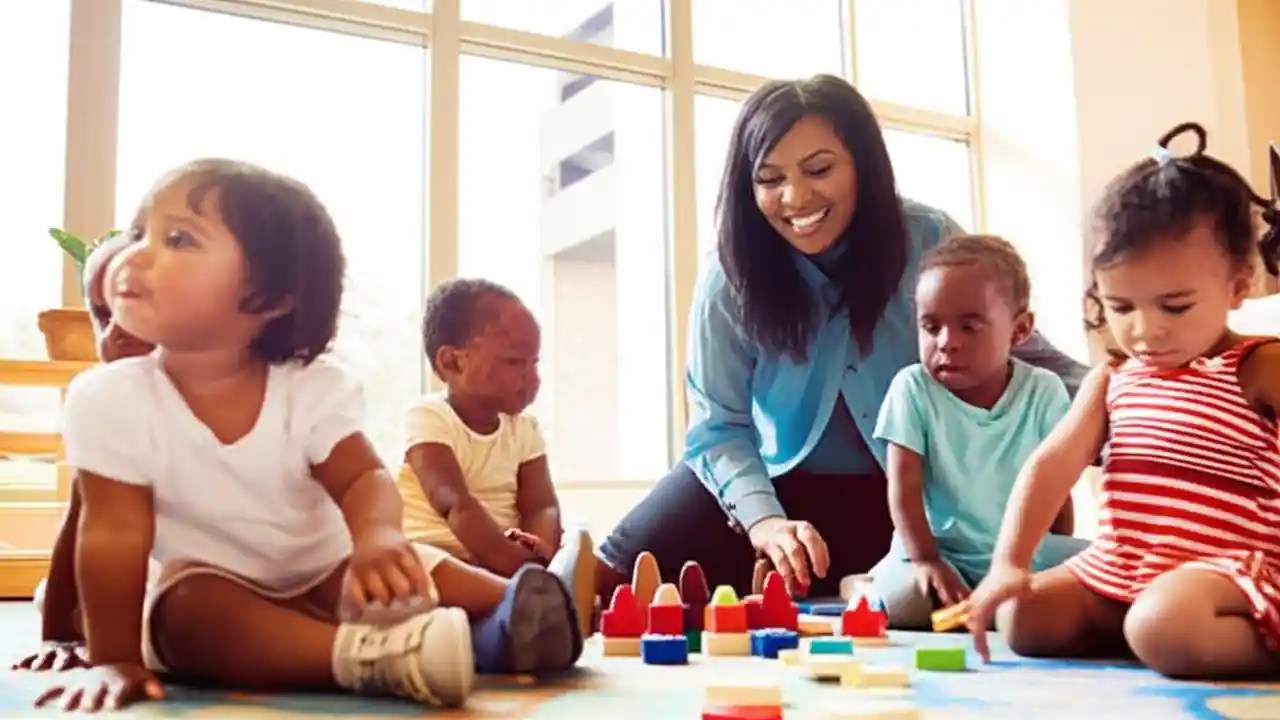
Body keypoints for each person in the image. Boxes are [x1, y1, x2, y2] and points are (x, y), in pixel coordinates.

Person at [23, 158, 585, 712]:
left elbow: (362, 477)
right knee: (185, 617)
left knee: (428, 570)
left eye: (177, 238)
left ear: (270, 296)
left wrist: (377, 537)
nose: (135, 254)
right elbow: (111, 534)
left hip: (333, 571)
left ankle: (519, 620)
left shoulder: (308, 389)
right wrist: (114, 656)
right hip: (216, 587)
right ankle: (376, 658)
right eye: (139, 232)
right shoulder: (110, 400)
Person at [596, 74, 1088, 599]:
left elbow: (1012, 348)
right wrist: (767, 525)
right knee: (616, 570)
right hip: (773, 485)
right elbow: (719, 428)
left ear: (863, 165)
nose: (795, 197)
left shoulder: (928, 238)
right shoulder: (730, 275)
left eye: (819, 169)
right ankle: (534, 597)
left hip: (904, 487)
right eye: (768, 178)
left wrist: (1129, 389)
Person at [965, 122, 1280, 679]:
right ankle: (1147, 630)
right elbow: (1050, 465)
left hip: (1230, 577)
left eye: (1175, 307)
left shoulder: (1259, 366)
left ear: (1238, 285)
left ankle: (1182, 636)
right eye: (1121, 306)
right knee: (1022, 618)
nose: (1145, 331)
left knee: (1164, 625)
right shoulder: (1113, 379)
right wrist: (1008, 565)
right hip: (1125, 567)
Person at [866, 234, 1089, 627]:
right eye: (931, 327)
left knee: (1100, 576)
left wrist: (1049, 556)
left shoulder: (1043, 390)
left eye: (970, 327)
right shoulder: (913, 388)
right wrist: (926, 560)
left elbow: (1055, 487)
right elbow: (904, 490)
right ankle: (869, 585)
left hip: (1018, 554)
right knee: (905, 604)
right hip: (936, 552)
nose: (947, 343)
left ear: (1020, 330)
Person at [396, 277, 595, 638]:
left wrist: (539, 550)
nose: (530, 378)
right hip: (444, 560)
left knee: (574, 542)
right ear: (452, 362)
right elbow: (454, 505)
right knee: (417, 565)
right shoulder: (429, 418)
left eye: (534, 363)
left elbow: (541, 505)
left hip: (509, 565)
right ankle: (534, 606)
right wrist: (511, 564)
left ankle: (523, 618)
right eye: (514, 363)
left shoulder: (524, 429)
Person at [17, 233, 158, 675]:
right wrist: (60, 634)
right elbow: (81, 520)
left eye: (138, 309)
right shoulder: (114, 408)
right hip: (132, 574)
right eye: (103, 315)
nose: (118, 331)